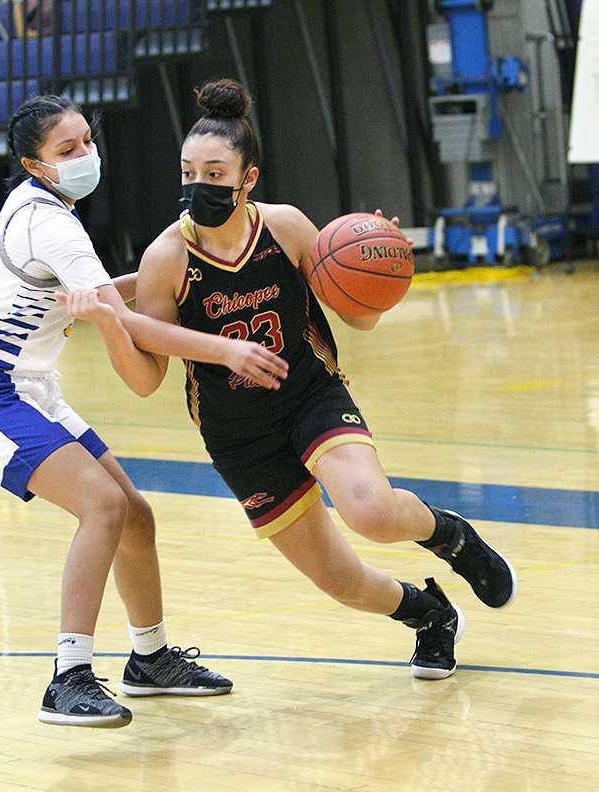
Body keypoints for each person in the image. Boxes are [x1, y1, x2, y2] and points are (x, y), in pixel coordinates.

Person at [130, 78, 517, 681]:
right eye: (188, 173)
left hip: (311, 396)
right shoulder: (166, 258)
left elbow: (358, 318)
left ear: (247, 178)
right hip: (239, 436)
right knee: (338, 579)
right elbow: (148, 359)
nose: (196, 186)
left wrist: (380, 266)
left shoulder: (285, 228)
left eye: (213, 172)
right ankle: (429, 615)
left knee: (371, 513)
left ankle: (452, 537)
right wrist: (123, 324)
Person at [0, 94, 289, 728]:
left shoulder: (48, 210)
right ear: (33, 164)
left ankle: (149, 660)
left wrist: (174, 278)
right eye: (66, 151)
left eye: (87, 143)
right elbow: (126, 323)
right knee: (103, 507)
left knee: (135, 515)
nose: (84, 157)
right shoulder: (49, 221)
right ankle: (66, 678)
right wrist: (226, 350)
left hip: (31, 386)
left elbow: (106, 297)